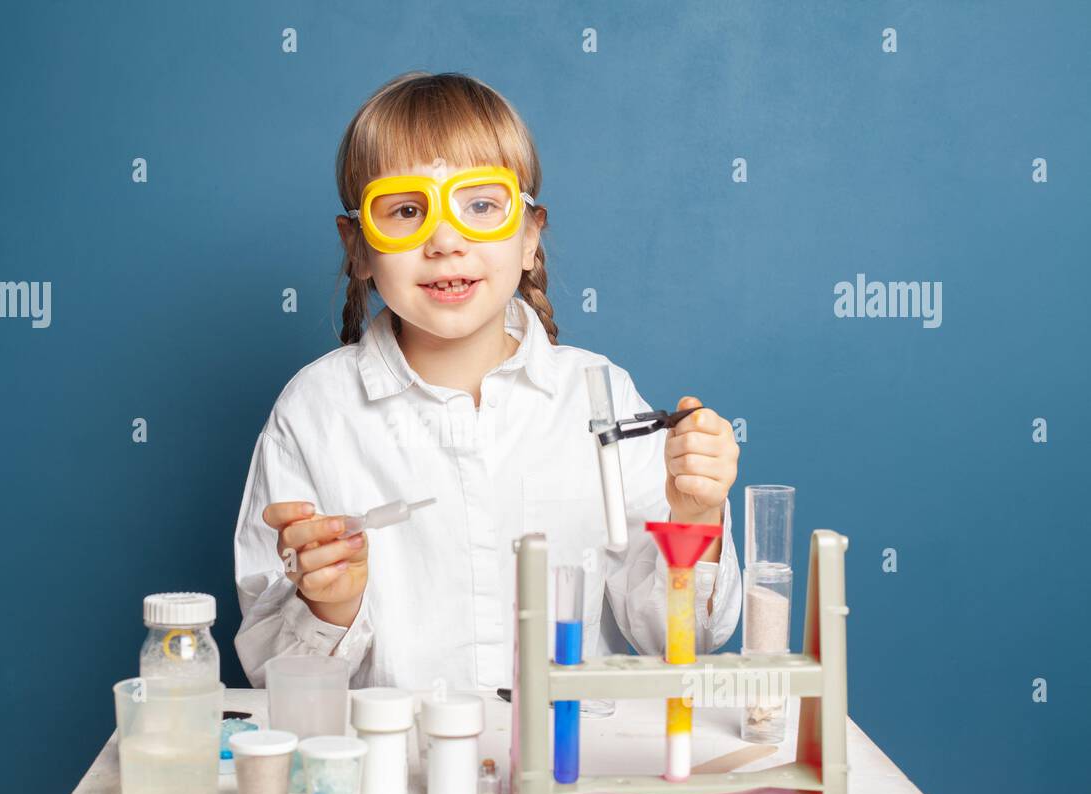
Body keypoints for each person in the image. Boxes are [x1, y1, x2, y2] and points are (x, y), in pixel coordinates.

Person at [234, 72, 741, 690]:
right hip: (390, 778)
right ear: (359, 247)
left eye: (480, 204)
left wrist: (696, 517)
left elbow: (679, 638)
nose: (446, 240)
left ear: (530, 236)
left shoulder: (597, 391)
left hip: (564, 766)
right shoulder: (314, 413)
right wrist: (327, 608)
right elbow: (274, 678)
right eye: (406, 211)